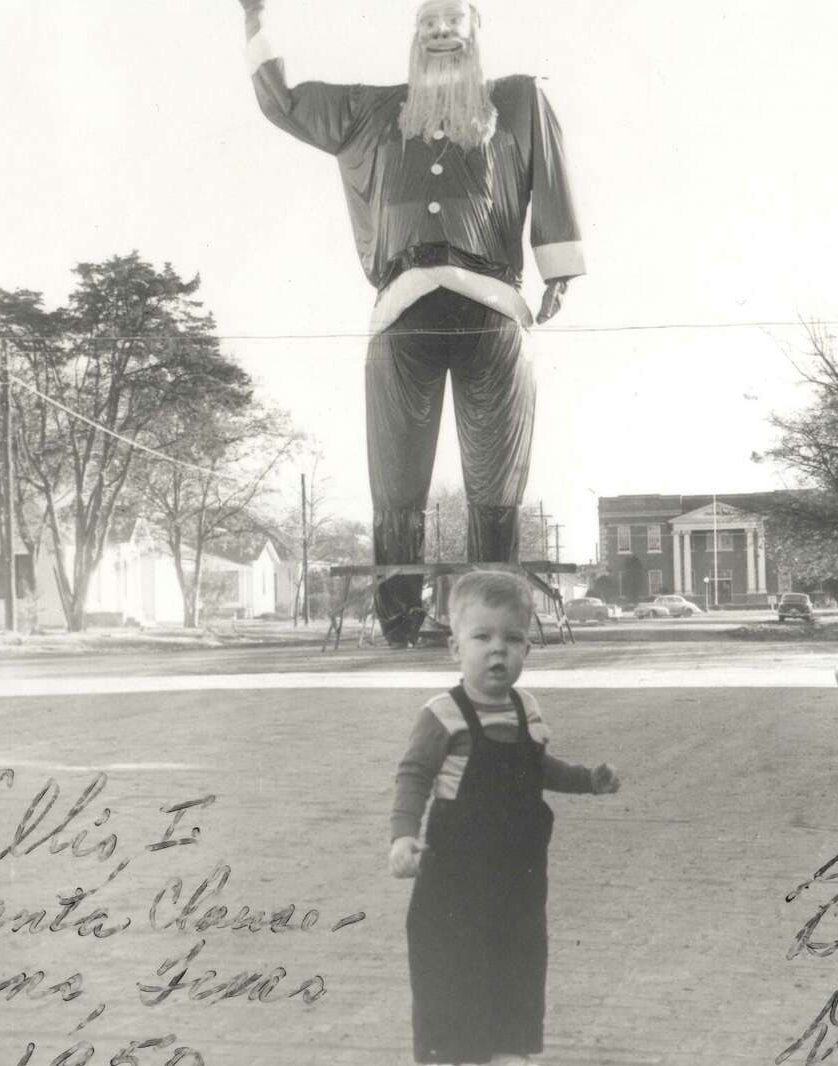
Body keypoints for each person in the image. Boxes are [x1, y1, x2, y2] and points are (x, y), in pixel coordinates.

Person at [236, 0, 586, 643]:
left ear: (476, 32)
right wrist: (256, 18)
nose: (442, 30)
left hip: (493, 309)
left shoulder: (516, 101)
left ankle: (495, 615)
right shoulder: (370, 111)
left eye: (455, 20)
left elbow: (554, 179)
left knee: (495, 475)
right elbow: (284, 102)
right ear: (413, 36)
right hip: (402, 309)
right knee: (396, 474)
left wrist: (557, 268)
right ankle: (401, 618)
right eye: (429, 21)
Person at [389, 571, 621, 1066]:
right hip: (455, 863)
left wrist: (587, 780)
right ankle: (444, 1055)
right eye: (483, 637)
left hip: (518, 863)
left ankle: (507, 1052)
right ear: (455, 647)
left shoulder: (527, 709)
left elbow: (539, 768)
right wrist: (404, 835)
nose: (499, 651)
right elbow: (414, 776)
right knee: (449, 954)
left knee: (518, 952)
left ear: (527, 650)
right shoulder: (442, 714)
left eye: (513, 639)